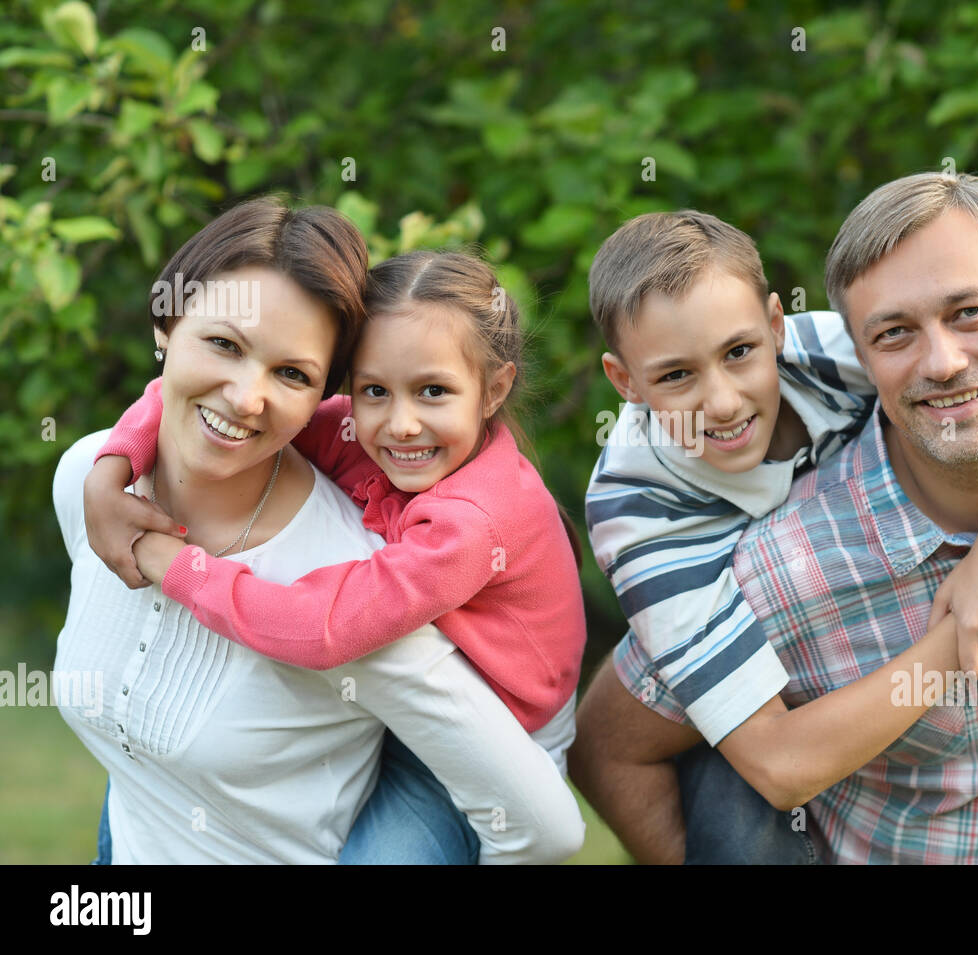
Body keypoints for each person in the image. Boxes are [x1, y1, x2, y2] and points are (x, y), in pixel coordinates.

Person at [570, 172, 978, 864]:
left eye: (971, 313)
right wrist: (963, 638)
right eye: (676, 376)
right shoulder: (667, 530)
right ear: (625, 383)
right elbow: (761, 761)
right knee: (728, 785)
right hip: (799, 668)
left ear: (776, 330)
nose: (720, 401)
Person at [55, 198, 584, 864]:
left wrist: (173, 562)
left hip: (500, 728)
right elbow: (182, 396)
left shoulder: (457, 531)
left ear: (495, 388)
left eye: (435, 392)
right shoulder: (342, 427)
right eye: (374, 391)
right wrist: (109, 469)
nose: (401, 424)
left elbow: (326, 627)